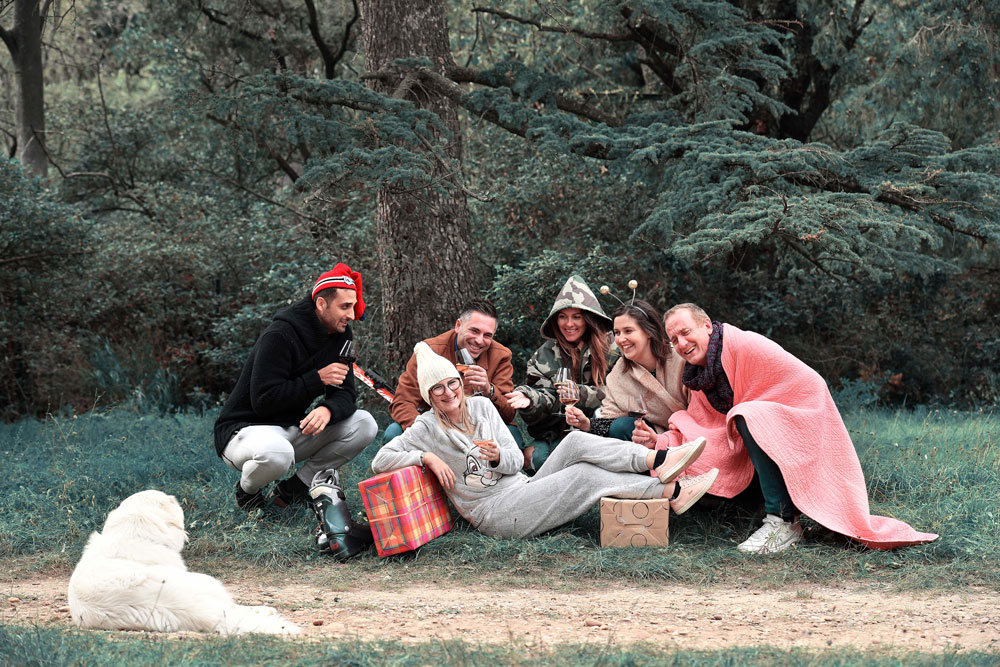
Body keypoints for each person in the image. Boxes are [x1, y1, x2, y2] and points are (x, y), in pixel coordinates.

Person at [652, 302, 938, 554]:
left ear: (706, 325)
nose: (681, 343)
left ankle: (783, 521)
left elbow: (806, 381)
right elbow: (702, 424)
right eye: (674, 339)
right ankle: (764, 511)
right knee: (729, 419)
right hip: (756, 435)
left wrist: (764, 414)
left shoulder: (743, 344)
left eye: (685, 332)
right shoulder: (697, 376)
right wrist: (662, 440)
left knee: (747, 413)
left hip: (798, 416)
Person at [371, 342, 717, 538]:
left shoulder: (480, 406)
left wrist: (496, 458)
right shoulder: (427, 428)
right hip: (494, 514)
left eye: (452, 384)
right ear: (429, 396)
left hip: (520, 485)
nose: (448, 393)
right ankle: (670, 493)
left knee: (574, 443)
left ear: (460, 384)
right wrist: (425, 458)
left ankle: (659, 461)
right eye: (438, 389)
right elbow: (380, 460)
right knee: (581, 475)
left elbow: (512, 460)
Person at [213, 264, 378, 513]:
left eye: (353, 306)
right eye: (345, 307)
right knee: (278, 454)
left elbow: (346, 393)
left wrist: (329, 409)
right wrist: (316, 379)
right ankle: (247, 492)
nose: (352, 315)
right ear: (321, 304)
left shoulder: (341, 334)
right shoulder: (280, 335)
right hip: (243, 432)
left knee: (365, 423)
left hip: (289, 429)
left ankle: (295, 488)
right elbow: (264, 401)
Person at [505, 275, 618, 471]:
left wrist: (580, 394)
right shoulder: (544, 355)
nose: (569, 324)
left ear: (588, 318)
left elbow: (619, 393)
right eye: (562, 316)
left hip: (604, 428)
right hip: (560, 433)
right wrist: (531, 399)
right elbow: (543, 397)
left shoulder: (613, 348)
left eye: (576, 316)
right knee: (534, 458)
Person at [384, 298, 522, 448]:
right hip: (438, 425)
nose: (480, 341)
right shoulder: (429, 351)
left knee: (512, 435)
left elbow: (508, 416)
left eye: (487, 335)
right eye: (474, 331)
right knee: (393, 432)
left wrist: (489, 390)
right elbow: (402, 402)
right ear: (458, 326)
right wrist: (429, 432)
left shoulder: (501, 356)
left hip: (479, 427)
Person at [565, 300, 688, 443]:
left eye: (628, 331)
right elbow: (610, 421)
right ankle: (653, 461)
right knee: (622, 426)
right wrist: (586, 424)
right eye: (617, 332)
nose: (621, 339)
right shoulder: (618, 375)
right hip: (654, 438)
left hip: (697, 428)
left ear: (648, 331)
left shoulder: (680, 357)